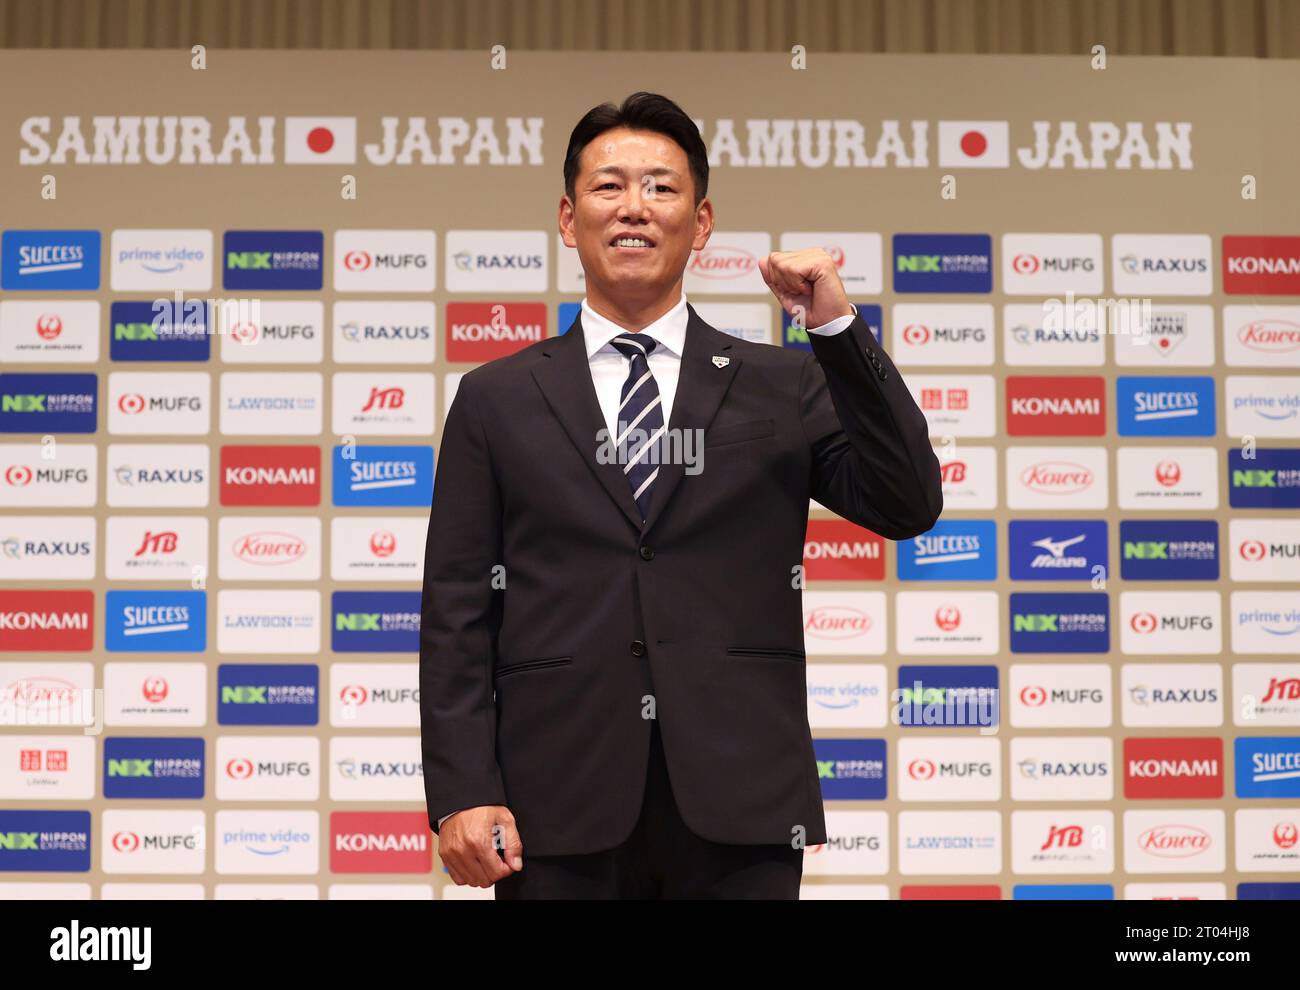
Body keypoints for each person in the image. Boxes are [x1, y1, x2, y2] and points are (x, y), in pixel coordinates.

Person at [420, 91, 942, 899]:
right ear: (568, 218)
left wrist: (835, 333)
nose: (635, 208)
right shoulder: (498, 398)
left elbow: (907, 501)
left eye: (662, 188)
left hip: (741, 803)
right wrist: (461, 791)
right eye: (609, 186)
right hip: (553, 808)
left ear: (700, 224)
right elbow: (456, 609)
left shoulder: (782, 381)